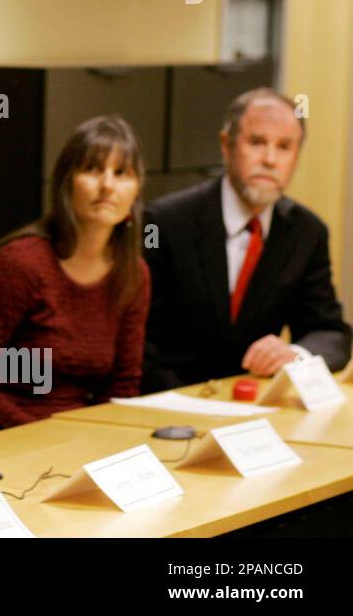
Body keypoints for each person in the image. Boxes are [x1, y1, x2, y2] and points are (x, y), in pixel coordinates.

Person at [0, 116, 150, 429]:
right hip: (8, 434)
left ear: (136, 190)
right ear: (67, 181)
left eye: (121, 172)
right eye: (93, 169)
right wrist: (41, 435)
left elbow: (124, 384)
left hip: (81, 437)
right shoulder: (23, 263)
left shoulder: (133, 274)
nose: (107, 185)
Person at [142, 89, 350, 391]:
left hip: (253, 402)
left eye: (284, 147)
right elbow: (139, 337)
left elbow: (331, 333)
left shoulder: (307, 232)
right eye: (257, 142)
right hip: (169, 399)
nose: (269, 160)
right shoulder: (163, 222)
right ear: (226, 145)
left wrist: (295, 354)